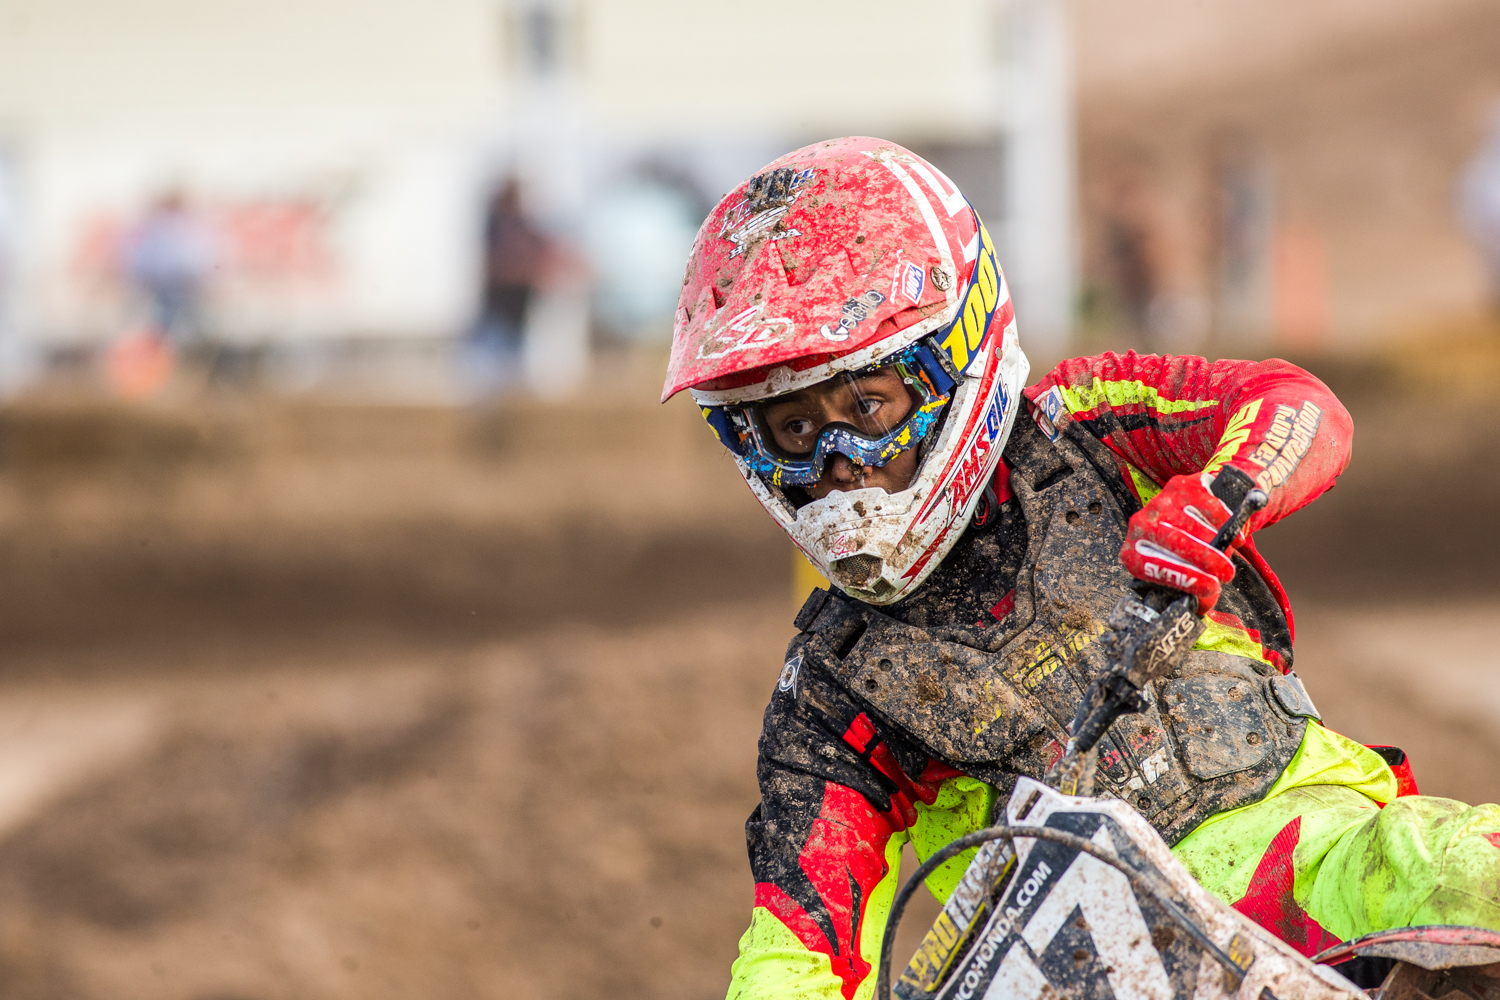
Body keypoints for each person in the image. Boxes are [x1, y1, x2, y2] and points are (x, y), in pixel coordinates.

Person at [660, 137, 1500, 1000]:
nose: (841, 463)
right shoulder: (832, 697)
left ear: (951, 359)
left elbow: (1298, 407)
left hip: (1319, 860)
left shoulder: (1085, 434)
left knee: (1472, 869)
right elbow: (793, 952)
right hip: (1098, 973)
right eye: (793, 431)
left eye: (865, 407)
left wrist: (1218, 498)